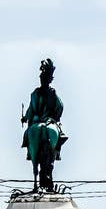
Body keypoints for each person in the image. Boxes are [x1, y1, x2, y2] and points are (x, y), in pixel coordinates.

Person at [22, 58, 67, 192]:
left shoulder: (35, 93)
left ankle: (35, 181)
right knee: (58, 138)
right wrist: (54, 118)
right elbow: (60, 107)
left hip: (36, 123)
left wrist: (25, 118)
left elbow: (31, 110)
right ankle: (56, 153)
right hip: (49, 122)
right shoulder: (53, 94)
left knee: (28, 136)